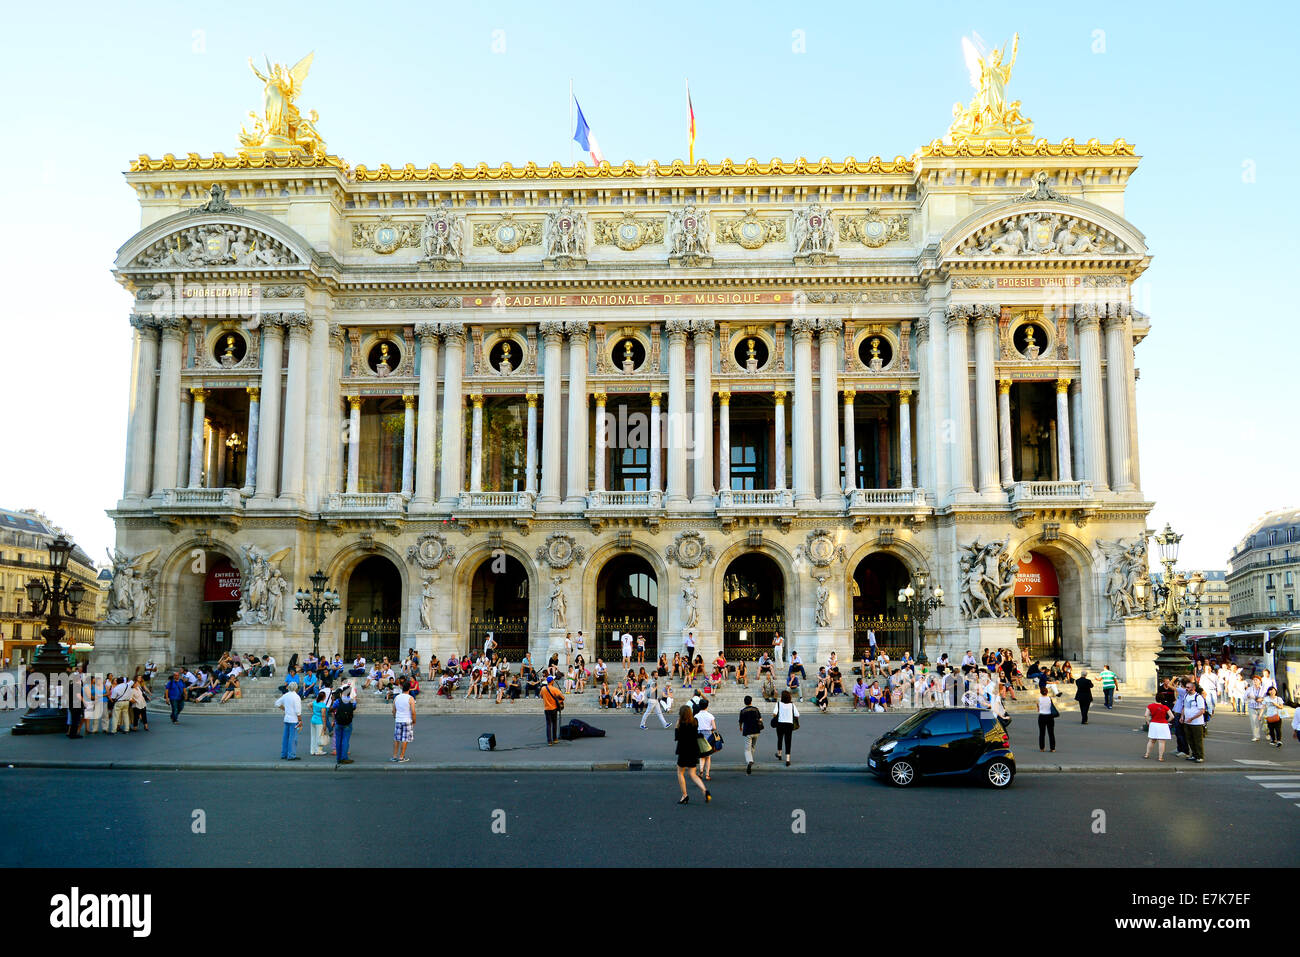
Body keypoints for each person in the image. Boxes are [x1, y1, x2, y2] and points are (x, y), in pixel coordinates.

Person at [674, 705, 710, 804]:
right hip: (694, 751)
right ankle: (704, 790)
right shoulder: (695, 722)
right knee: (693, 774)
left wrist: (676, 727)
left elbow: (677, 738)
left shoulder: (681, 724)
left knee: (680, 773)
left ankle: (684, 795)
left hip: (683, 751)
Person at [1182, 681, 1208, 763]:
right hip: (1187, 722)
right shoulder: (1186, 696)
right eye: (1186, 687)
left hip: (1196, 723)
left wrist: (1192, 718)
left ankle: (1200, 756)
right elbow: (1184, 707)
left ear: (1193, 688)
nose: (1186, 689)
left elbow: (1202, 711)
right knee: (1190, 739)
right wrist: (1182, 716)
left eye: (1188, 687)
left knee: (1197, 740)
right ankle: (1194, 754)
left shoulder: (1198, 697)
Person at [276, 682, 302, 760]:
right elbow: (298, 710)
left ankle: (284, 754)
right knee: (293, 738)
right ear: (296, 688)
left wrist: (284, 709)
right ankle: (291, 755)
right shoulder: (296, 697)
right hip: (294, 719)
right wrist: (300, 720)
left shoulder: (286, 695)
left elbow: (277, 703)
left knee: (285, 737)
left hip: (287, 718)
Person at [772, 689, 799, 767]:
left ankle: (779, 754)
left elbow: (774, 713)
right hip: (789, 724)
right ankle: (788, 759)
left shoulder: (778, 704)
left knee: (780, 739)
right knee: (788, 741)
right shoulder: (792, 705)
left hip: (780, 724)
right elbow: (797, 714)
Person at [391, 677, 416, 763]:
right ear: (409, 688)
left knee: (397, 738)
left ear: (402, 688)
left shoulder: (396, 697)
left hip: (398, 719)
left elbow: (393, 710)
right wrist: (414, 720)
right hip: (407, 720)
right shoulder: (410, 698)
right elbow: (413, 712)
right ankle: (401, 756)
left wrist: (395, 717)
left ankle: (394, 756)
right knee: (404, 739)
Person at [738, 695, 764, 774]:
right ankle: (751, 759)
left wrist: (740, 727)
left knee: (747, 748)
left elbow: (740, 721)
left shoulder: (743, 711)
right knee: (753, 746)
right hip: (756, 730)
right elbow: (760, 718)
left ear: (744, 702)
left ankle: (749, 761)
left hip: (748, 731)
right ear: (751, 701)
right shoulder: (756, 709)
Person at [695, 697, 719, 780]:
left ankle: (701, 770)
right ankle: (707, 774)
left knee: (702, 755)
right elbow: (714, 727)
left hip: (699, 734)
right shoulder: (710, 716)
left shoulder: (696, 716)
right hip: (708, 734)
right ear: (707, 706)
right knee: (708, 756)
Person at [1144, 694, 1172, 761]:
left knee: (1151, 740)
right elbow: (1172, 716)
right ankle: (1160, 757)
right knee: (1161, 742)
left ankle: (1147, 754)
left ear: (1155, 698)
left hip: (1153, 723)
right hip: (1163, 725)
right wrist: (1167, 721)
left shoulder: (1150, 706)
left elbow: (1146, 715)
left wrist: (1148, 723)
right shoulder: (1165, 707)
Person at [542, 676, 564, 746]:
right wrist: (558, 700)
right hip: (553, 708)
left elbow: (541, 695)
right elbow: (563, 697)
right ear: (552, 681)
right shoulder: (555, 689)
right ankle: (554, 739)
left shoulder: (543, 688)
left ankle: (549, 741)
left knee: (548, 724)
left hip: (546, 708)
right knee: (554, 723)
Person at [1245, 675, 1266, 742]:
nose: (1255, 681)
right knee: (1254, 722)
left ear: (1260, 681)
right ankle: (1256, 736)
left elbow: (1267, 698)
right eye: (1254, 680)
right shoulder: (1249, 689)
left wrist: (1262, 699)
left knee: (1264, 721)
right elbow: (1244, 697)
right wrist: (1248, 696)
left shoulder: (1264, 689)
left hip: (1262, 707)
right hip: (1252, 707)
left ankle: (1268, 733)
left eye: (1256, 680)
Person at [1037, 684, 1056, 752]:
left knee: (1042, 733)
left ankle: (1042, 748)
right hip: (1049, 716)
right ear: (1047, 692)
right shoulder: (1049, 698)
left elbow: (1038, 708)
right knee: (1051, 733)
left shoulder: (1039, 699)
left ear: (1040, 692)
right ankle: (1052, 748)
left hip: (1042, 716)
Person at [310, 691, 329, 756]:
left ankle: (312, 750)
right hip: (319, 721)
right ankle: (318, 751)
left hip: (313, 719)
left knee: (313, 736)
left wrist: (313, 712)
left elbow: (309, 705)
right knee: (319, 736)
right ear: (324, 697)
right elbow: (323, 716)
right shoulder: (323, 705)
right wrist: (325, 725)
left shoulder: (315, 702)